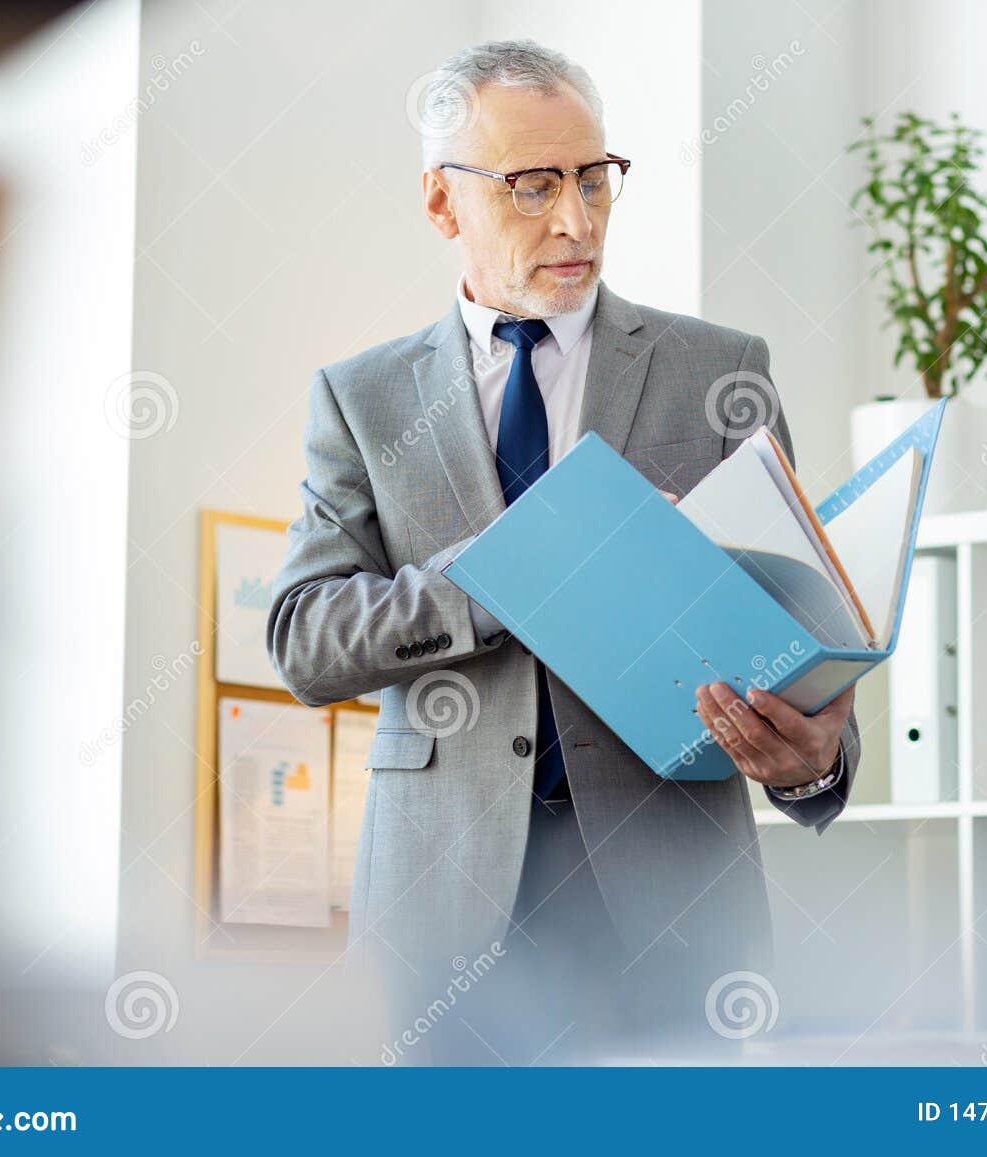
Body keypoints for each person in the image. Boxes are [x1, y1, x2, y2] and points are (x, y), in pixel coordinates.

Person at [267, 39, 857, 1064]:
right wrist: (506, 565)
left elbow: (801, 650)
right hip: (439, 912)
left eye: (593, 179)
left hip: (675, 908)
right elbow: (305, 639)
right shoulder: (362, 398)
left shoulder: (721, 372)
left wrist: (812, 766)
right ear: (442, 204)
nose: (575, 221)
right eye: (532, 186)